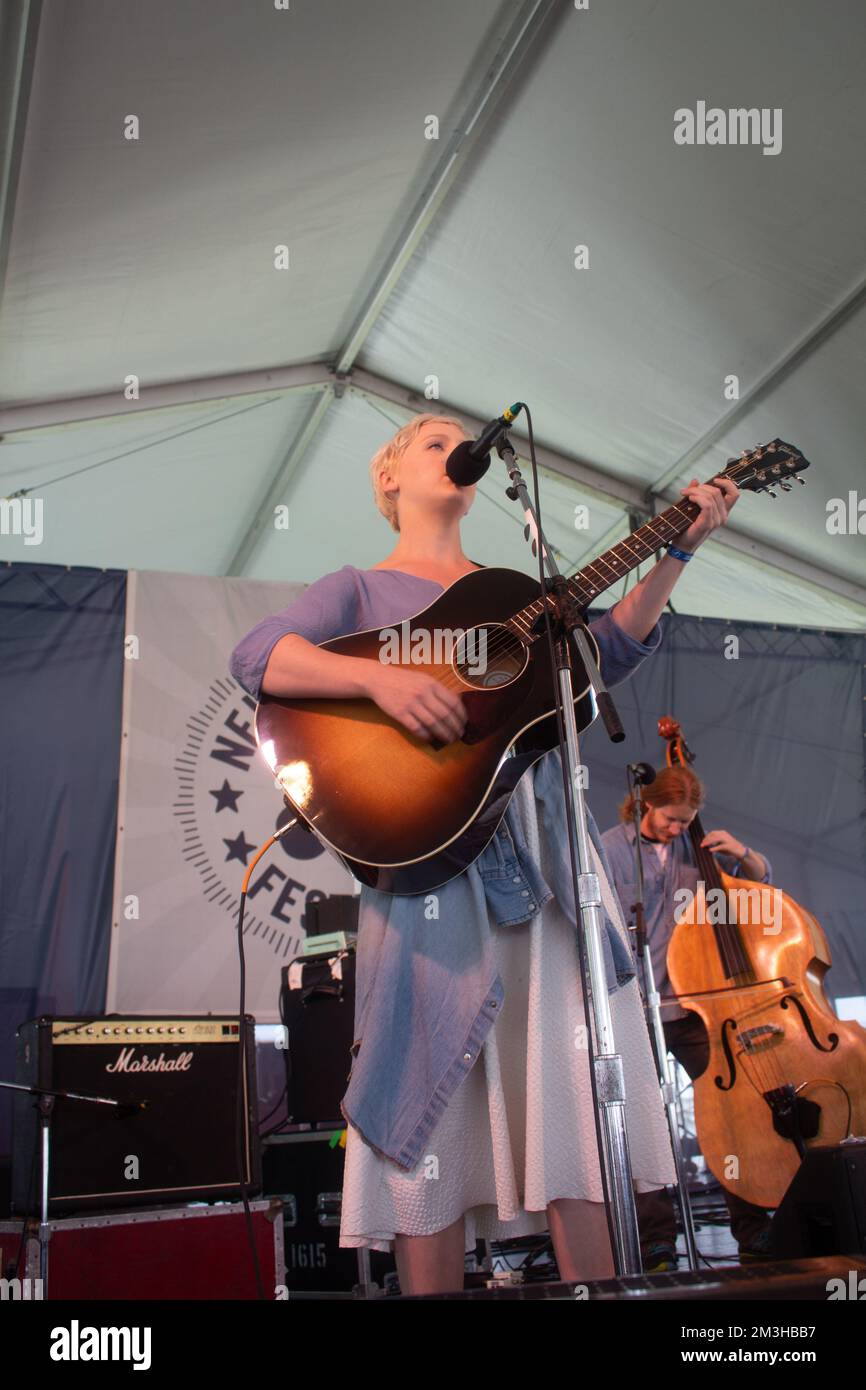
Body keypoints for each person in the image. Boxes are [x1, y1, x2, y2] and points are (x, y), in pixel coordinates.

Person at [229, 412, 740, 1295]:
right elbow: (258, 656)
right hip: (431, 871)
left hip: (542, 865)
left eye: (460, 442)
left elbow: (606, 653)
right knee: (428, 1090)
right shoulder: (357, 588)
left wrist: (678, 551)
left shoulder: (514, 591)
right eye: (431, 439)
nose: (453, 448)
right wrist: (380, 679)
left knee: (568, 1090)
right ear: (389, 476)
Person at [601, 765, 774, 1269]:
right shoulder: (612, 848)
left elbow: (763, 883)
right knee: (643, 1120)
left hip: (698, 1005)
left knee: (732, 1112)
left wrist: (742, 853)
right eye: (673, 820)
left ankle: (753, 1228)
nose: (679, 830)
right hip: (637, 1006)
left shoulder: (697, 852)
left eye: (686, 822)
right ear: (646, 804)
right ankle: (657, 1238)